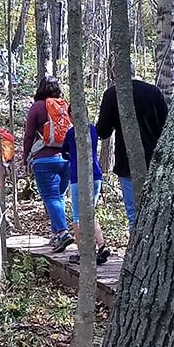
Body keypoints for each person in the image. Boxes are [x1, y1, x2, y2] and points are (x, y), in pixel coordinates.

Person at [95, 75, 168, 229]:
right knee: (156, 211)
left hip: (127, 161)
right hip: (155, 161)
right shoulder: (153, 91)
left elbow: (103, 130)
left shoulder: (112, 94)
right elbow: (166, 126)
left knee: (134, 212)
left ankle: (136, 251)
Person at [23, 76, 73, 252]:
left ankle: (63, 232)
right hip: (66, 158)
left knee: (51, 197)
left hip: (44, 159)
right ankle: (57, 235)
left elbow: (29, 135)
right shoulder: (65, 106)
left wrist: (25, 157)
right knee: (58, 197)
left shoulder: (37, 107)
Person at [61, 105, 110, 265]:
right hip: (96, 175)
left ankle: (82, 252)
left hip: (78, 177)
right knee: (90, 213)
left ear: (71, 117)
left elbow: (64, 153)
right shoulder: (93, 130)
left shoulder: (71, 133)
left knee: (77, 215)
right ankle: (101, 246)